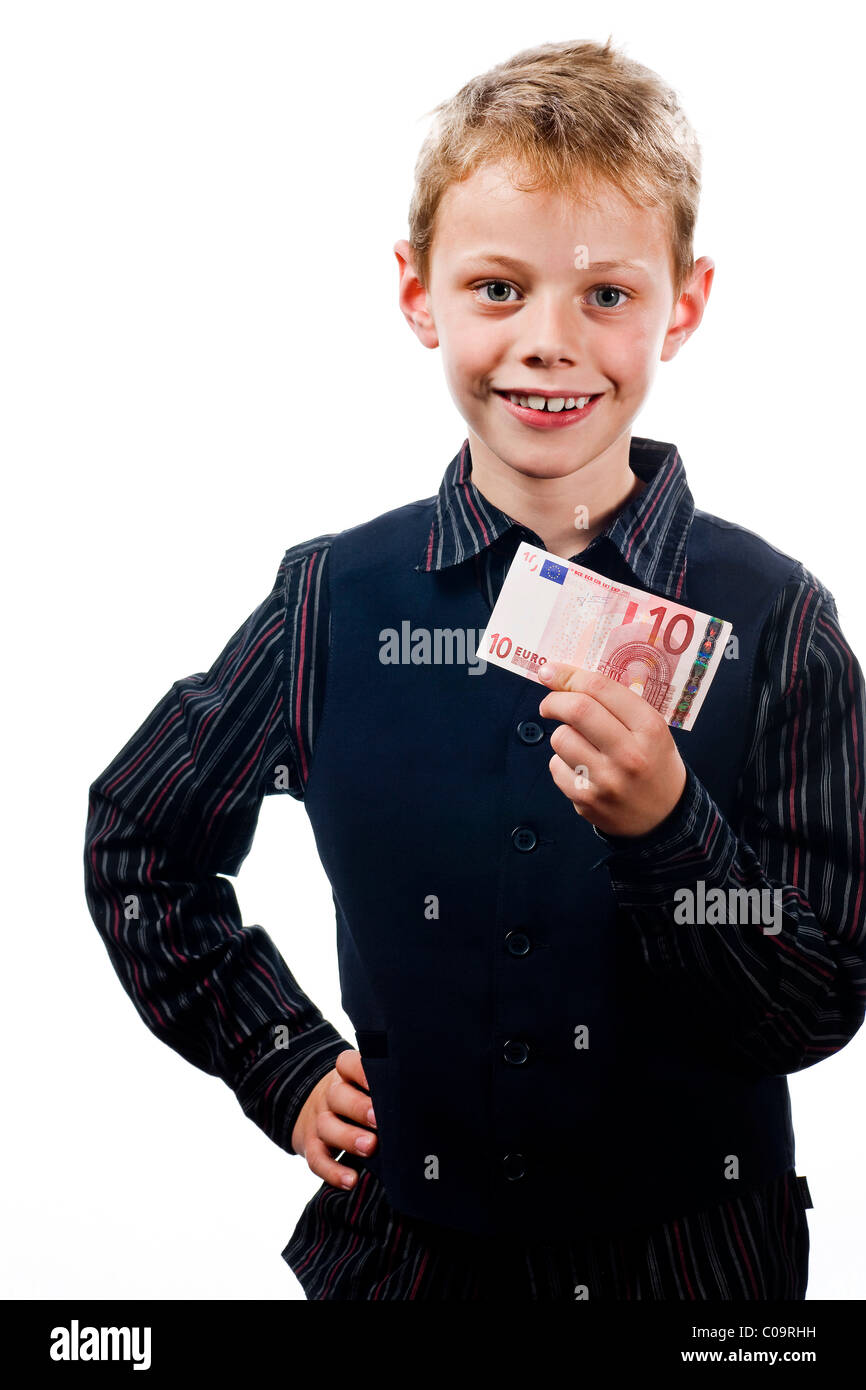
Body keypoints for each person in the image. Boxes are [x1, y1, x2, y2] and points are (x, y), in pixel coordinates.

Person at [83, 38, 866, 1300]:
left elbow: (817, 995)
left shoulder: (779, 622)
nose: (548, 343)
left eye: (605, 294)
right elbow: (138, 842)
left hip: (698, 1279)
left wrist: (672, 836)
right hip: (407, 1268)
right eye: (497, 288)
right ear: (418, 295)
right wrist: (278, 1057)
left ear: (685, 300)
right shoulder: (331, 602)